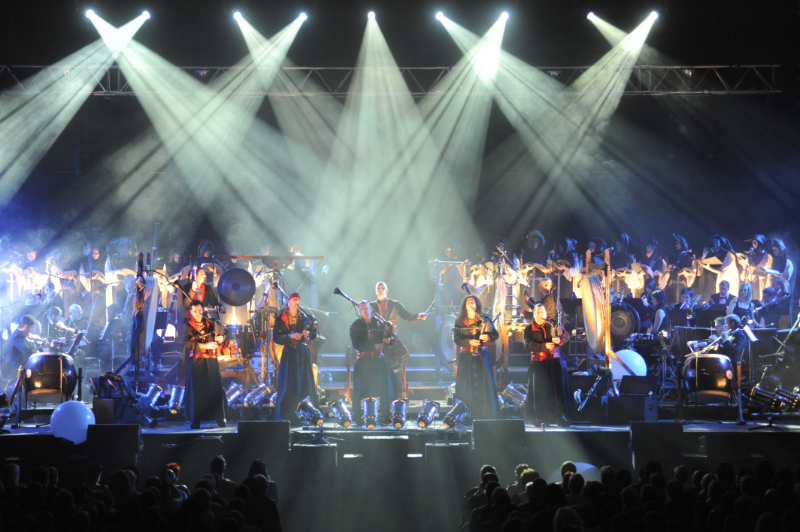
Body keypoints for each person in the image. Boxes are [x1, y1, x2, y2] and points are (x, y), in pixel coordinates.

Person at [370, 281, 427, 399]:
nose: (380, 289)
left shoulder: (395, 304)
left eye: (382, 287)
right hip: (378, 341)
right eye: (378, 288)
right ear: (375, 291)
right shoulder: (372, 306)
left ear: (387, 289)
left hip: (392, 341)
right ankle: (379, 395)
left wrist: (418, 316)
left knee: (395, 367)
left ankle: (398, 395)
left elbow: (407, 315)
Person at [452, 295, 499, 419]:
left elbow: (495, 335)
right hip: (466, 357)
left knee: (483, 383)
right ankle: (467, 414)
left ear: (476, 305)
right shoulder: (460, 321)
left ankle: (485, 413)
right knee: (467, 384)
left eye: (473, 302)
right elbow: (456, 338)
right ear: (465, 307)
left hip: (482, 356)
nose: (471, 305)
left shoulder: (484, 319)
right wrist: (469, 342)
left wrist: (487, 337)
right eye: (468, 303)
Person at [523, 303, 570, 426]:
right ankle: (541, 417)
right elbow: (527, 345)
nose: (540, 315)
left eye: (542, 312)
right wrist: (543, 346)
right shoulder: (529, 329)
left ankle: (560, 416)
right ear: (533, 314)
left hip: (554, 361)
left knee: (557, 391)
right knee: (540, 391)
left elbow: (566, 336)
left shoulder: (553, 324)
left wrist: (560, 340)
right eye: (537, 312)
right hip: (538, 363)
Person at [273, 292, 317, 422]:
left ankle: (306, 413)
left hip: (302, 352)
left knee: (303, 381)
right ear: (289, 302)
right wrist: (289, 337)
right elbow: (276, 337)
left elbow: (314, 333)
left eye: (298, 299)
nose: (297, 302)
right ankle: (287, 413)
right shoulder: (280, 319)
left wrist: (308, 333)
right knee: (289, 382)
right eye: (295, 299)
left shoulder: (304, 318)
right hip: (289, 353)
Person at [349, 300, 396, 423]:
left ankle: (385, 416)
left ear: (371, 309)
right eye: (362, 309)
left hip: (378, 361)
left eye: (366, 308)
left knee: (383, 388)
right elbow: (356, 344)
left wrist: (388, 340)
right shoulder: (356, 325)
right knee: (359, 390)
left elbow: (391, 337)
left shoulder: (380, 324)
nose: (364, 311)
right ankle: (358, 417)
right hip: (363, 362)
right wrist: (372, 346)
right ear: (360, 311)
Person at [183, 300, 227, 429]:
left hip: (211, 360)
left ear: (203, 311)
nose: (198, 314)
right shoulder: (188, 326)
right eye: (195, 311)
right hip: (197, 361)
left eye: (200, 311)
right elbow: (188, 343)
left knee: (216, 389)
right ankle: (196, 419)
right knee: (197, 391)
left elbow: (224, 334)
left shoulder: (212, 323)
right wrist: (205, 345)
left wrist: (221, 338)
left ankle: (220, 417)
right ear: (191, 312)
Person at [699, 234, 739, 302]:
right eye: (714, 245)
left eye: (717, 244)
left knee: (728, 300)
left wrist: (708, 267)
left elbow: (721, 271)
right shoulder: (717, 255)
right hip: (717, 281)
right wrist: (703, 257)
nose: (716, 246)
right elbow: (701, 267)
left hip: (728, 281)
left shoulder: (729, 255)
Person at [2, 314, 36, 380]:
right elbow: (27, 351)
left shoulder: (21, 334)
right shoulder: (18, 336)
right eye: (31, 328)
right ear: (26, 325)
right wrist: (39, 351)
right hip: (14, 367)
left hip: (19, 364)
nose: (32, 330)